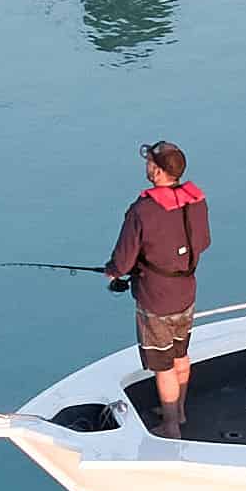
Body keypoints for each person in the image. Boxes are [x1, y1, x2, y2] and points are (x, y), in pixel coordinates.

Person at [106, 140, 211, 437]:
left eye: (149, 161)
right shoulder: (196, 200)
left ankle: (170, 425)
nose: (146, 165)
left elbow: (123, 260)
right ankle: (179, 410)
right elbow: (203, 242)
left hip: (156, 299)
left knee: (163, 364)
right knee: (180, 354)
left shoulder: (143, 210)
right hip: (186, 291)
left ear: (157, 170)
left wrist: (112, 272)